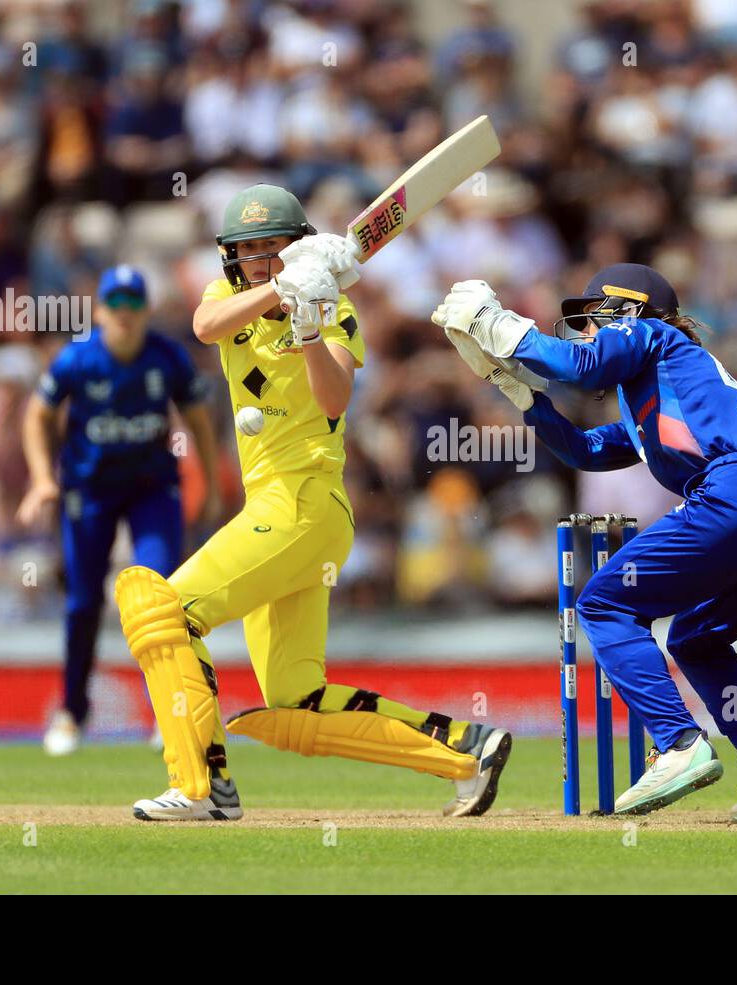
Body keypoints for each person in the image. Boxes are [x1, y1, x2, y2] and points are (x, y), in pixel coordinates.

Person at [114, 184, 512, 821]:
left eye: (275, 248)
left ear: (299, 246)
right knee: (298, 700)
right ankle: (466, 749)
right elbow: (203, 324)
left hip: (304, 505)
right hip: (278, 514)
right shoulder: (230, 296)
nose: (261, 259)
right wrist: (282, 288)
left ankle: (199, 786)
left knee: (161, 609)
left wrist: (307, 325)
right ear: (232, 259)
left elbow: (333, 401)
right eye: (249, 252)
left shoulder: (333, 310)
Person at [431, 263, 737, 820]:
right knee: (696, 639)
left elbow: (583, 366)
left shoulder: (653, 335)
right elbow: (585, 451)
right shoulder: (659, 391)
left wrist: (497, 324)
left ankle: (679, 745)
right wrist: (516, 390)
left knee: (603, 601)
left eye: (591, 319)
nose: (586, 331)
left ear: (623, 309)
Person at [18, 265, 219, 756]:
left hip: (152, 489)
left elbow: (197, 421)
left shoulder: (167, 357)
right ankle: (71, 712)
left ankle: (169, 714)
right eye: (117, 306)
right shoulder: (78, 360)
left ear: (146, 310)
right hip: (89, 492)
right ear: (101, 310)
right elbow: (37, 415)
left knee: (159, 596)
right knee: (84, 602)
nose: (125, 315)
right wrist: (42, 479)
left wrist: (211, 485)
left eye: (134, 305)